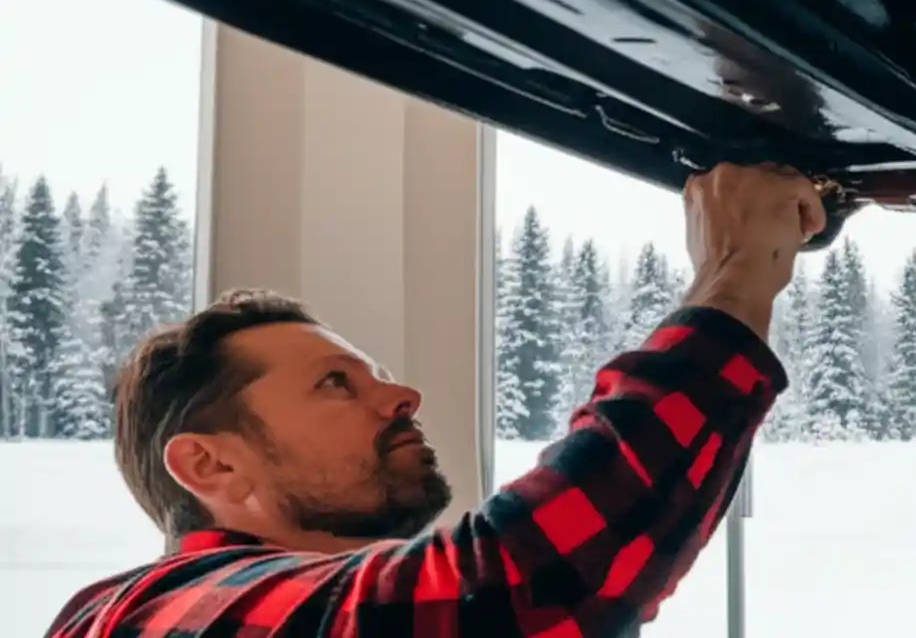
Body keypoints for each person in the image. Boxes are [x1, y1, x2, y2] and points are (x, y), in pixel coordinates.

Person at [46, 161, 828, 638]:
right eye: (335, 384)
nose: (402, 394)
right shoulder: (147, 616)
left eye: (375, 371)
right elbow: (511, 588)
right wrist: (733, 280)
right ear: (210, 465)